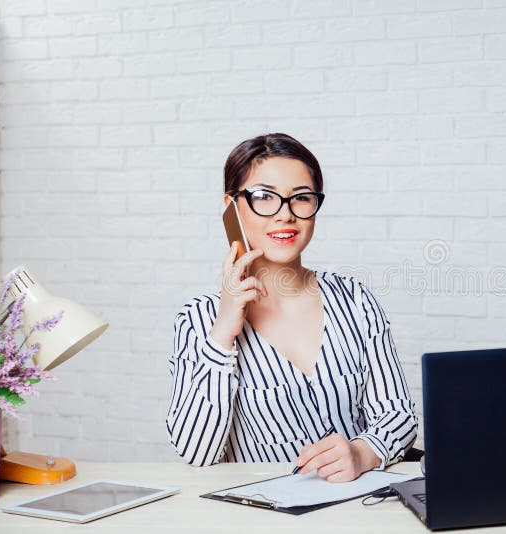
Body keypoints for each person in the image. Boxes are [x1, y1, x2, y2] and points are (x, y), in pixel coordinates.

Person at [166, 133, 417, 482]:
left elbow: (398, 414)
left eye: (301, 198)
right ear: (231, 208)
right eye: (264, 197)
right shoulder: (199, 320)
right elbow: (197, 452)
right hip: (261, 515)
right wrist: (224, 329)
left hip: (356, 508)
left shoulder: (355, 300)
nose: (285, 214)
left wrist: (363, 452)